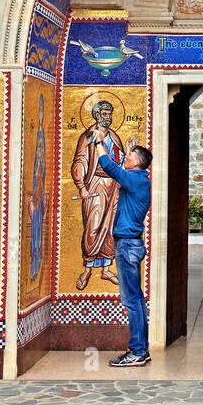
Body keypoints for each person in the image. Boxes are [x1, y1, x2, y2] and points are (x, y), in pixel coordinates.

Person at [97, 144, 154, 367]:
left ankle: (138, 351)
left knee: (132, 301)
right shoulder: (139, 181)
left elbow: (110, 167)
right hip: (131, 245)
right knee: (137, 300)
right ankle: (141, 348)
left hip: (127, 246)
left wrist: (100, 142)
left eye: (129, 155)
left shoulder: (137, 180)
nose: (126, 158)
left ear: (137, 161)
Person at [71, 100, 125, 291]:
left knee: (110, 228)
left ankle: (106, 269)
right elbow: (80, 160)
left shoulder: (113, 136)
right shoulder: (89, 136)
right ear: (96, 115)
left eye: (110, 114)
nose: (108, 117)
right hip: (95, 185)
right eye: (104, 114)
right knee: (93, 227)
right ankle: (87, 269)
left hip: (113, 186)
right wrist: (81, 186)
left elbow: (119, 160)